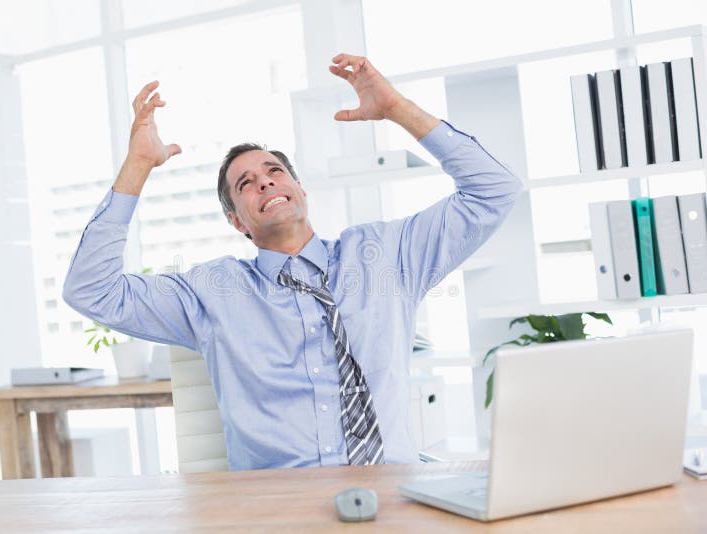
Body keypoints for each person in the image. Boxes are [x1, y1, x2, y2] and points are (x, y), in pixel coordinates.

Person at [63, 53, 523, 470]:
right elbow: (91, 291)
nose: (264, 182)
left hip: (392, 493)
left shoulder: (385, 255)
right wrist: (138, 165)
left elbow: (495, 191)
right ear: (237, 221)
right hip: (278, 506)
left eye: (274, 171)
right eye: (245, 183)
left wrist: (397, 109)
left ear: (300, 190)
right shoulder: (211, 293)